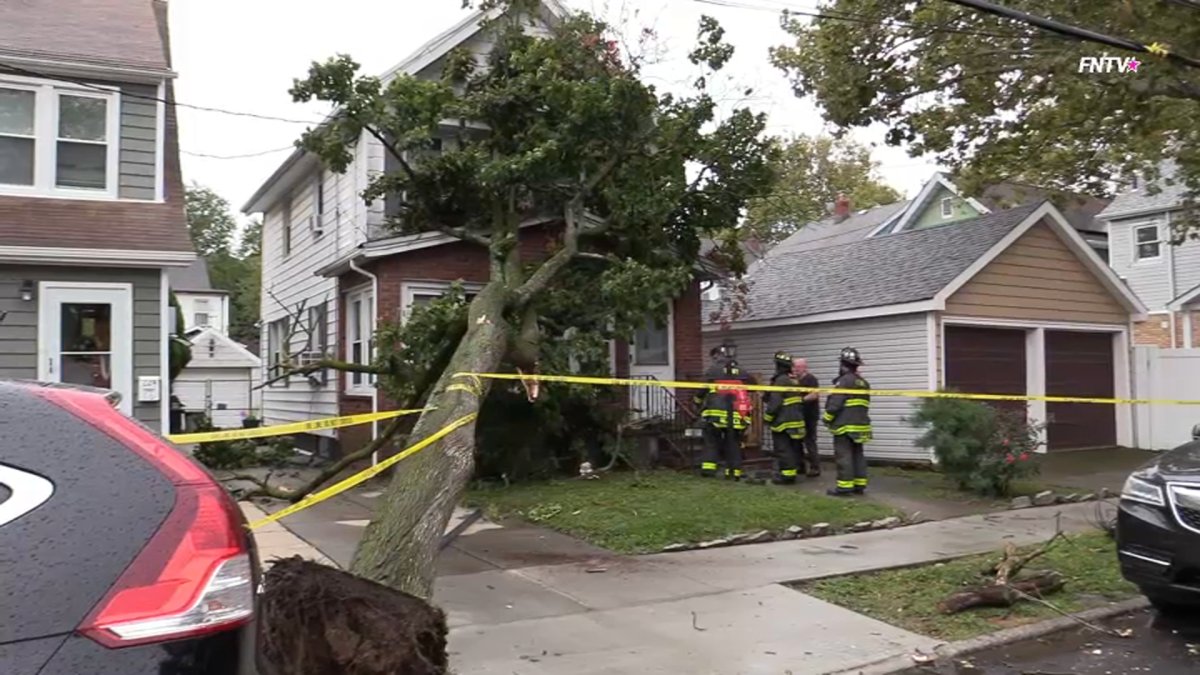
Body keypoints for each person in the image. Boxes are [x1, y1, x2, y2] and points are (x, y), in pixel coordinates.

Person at [694, 345, 752, 480]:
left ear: (716, 357)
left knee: (711, 442)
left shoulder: (712, 371)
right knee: (733, 443)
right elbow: (751, 388)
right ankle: (734, 472)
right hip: (737, 415)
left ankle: (708, 470)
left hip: (715, 415)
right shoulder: (741, 372)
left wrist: (697, 402)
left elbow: (701, 391)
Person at [823, 347, 872, 496]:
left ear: (843, 364)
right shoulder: (864, 383)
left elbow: (836, 403)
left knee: (844, 455)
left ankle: (844, 487)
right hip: (861, 425)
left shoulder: (844, 381)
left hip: (844, 426)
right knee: (858, 454)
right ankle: (859, 485)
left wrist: (827, 418)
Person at [764, 351, 805, 484]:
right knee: (793, 449)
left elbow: (775, 402)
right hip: (796, 420)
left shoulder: (780, 380)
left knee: (783, 449)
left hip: (783, 422)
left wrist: (768, 417)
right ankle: (791, 473)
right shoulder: (793, 380)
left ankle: (787, 476)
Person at [793, 357, 822, 477]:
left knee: (809, 441)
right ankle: (800, 466)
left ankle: (815, 467)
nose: (796, 370)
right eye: (794, 367)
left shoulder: (811, 379)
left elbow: (814, 394)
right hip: (798, 415)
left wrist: (801, 400)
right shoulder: (795, 381)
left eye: (798, 367)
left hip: (810, 415)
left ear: (805, 367)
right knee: (797, 441)